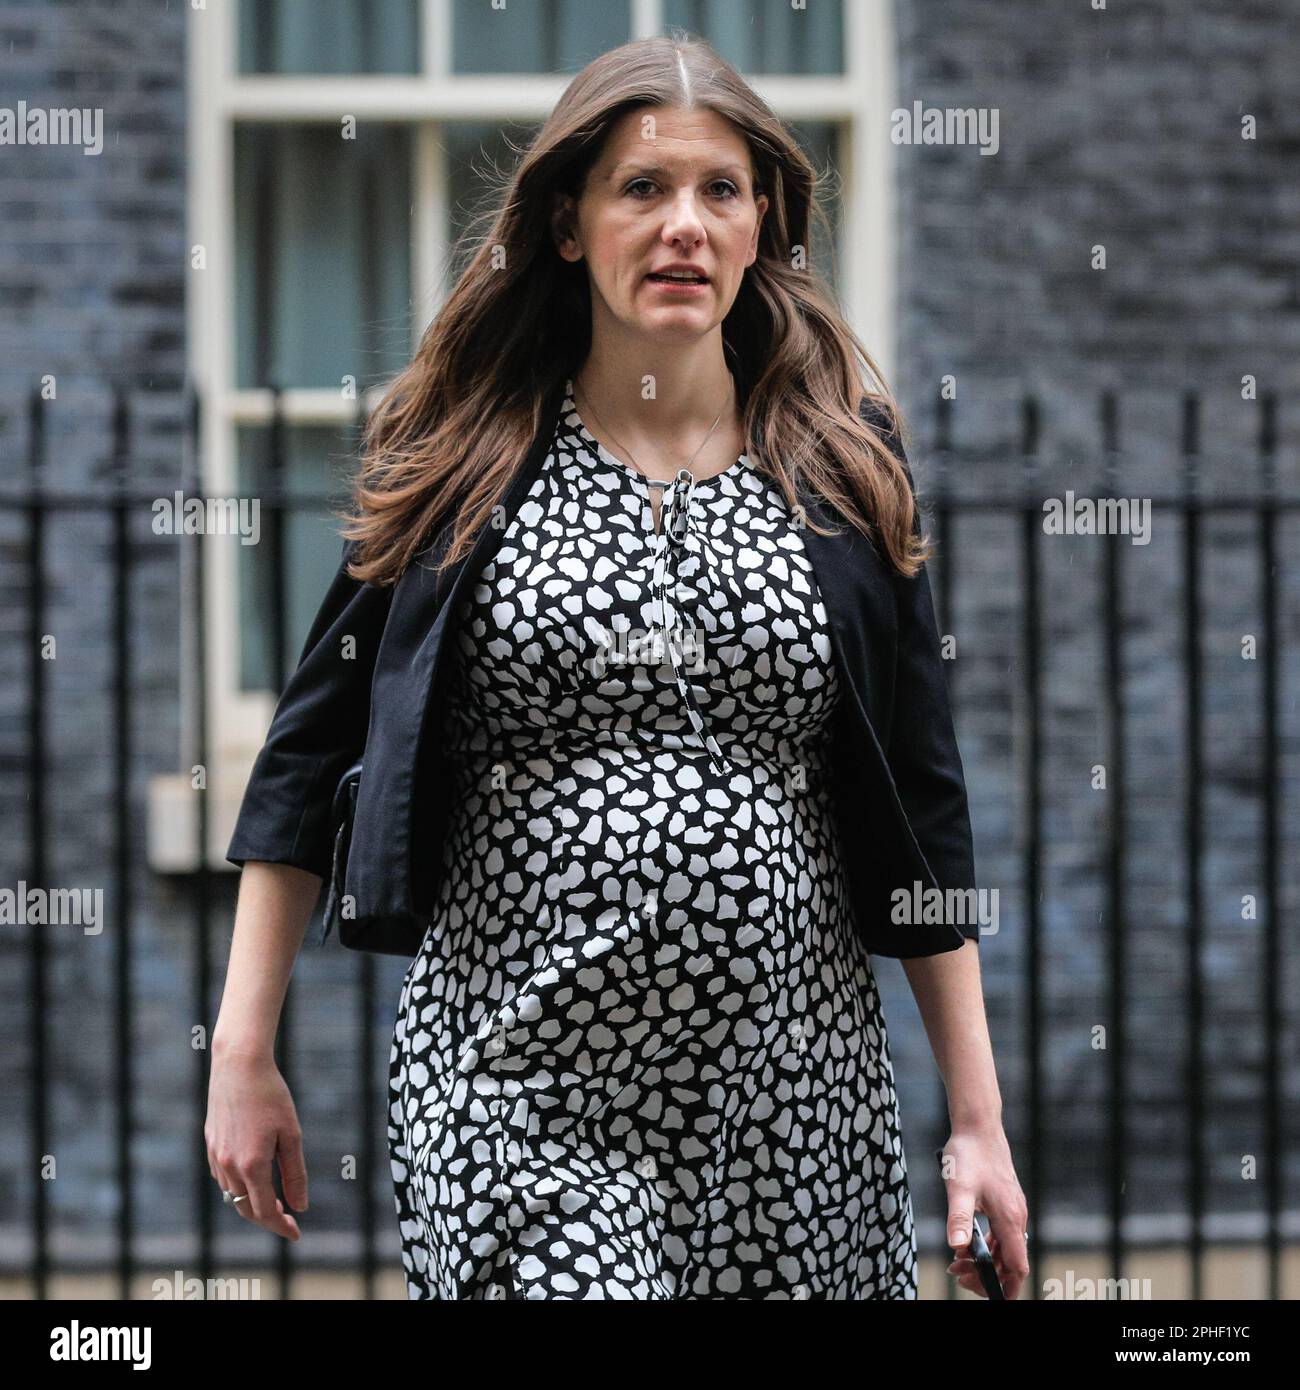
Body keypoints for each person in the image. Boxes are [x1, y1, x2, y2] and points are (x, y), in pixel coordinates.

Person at [207, 32, 1029, 1300]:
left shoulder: (841, 467)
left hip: (792, 1098)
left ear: (762, 226)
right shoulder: (466, 453)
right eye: (641, 188)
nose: (683, 224)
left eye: (719, 190)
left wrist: (977, 1122)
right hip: (517, 1090)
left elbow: (924, 801)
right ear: (569, 226)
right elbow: (310, 747)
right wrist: (241, 1051)